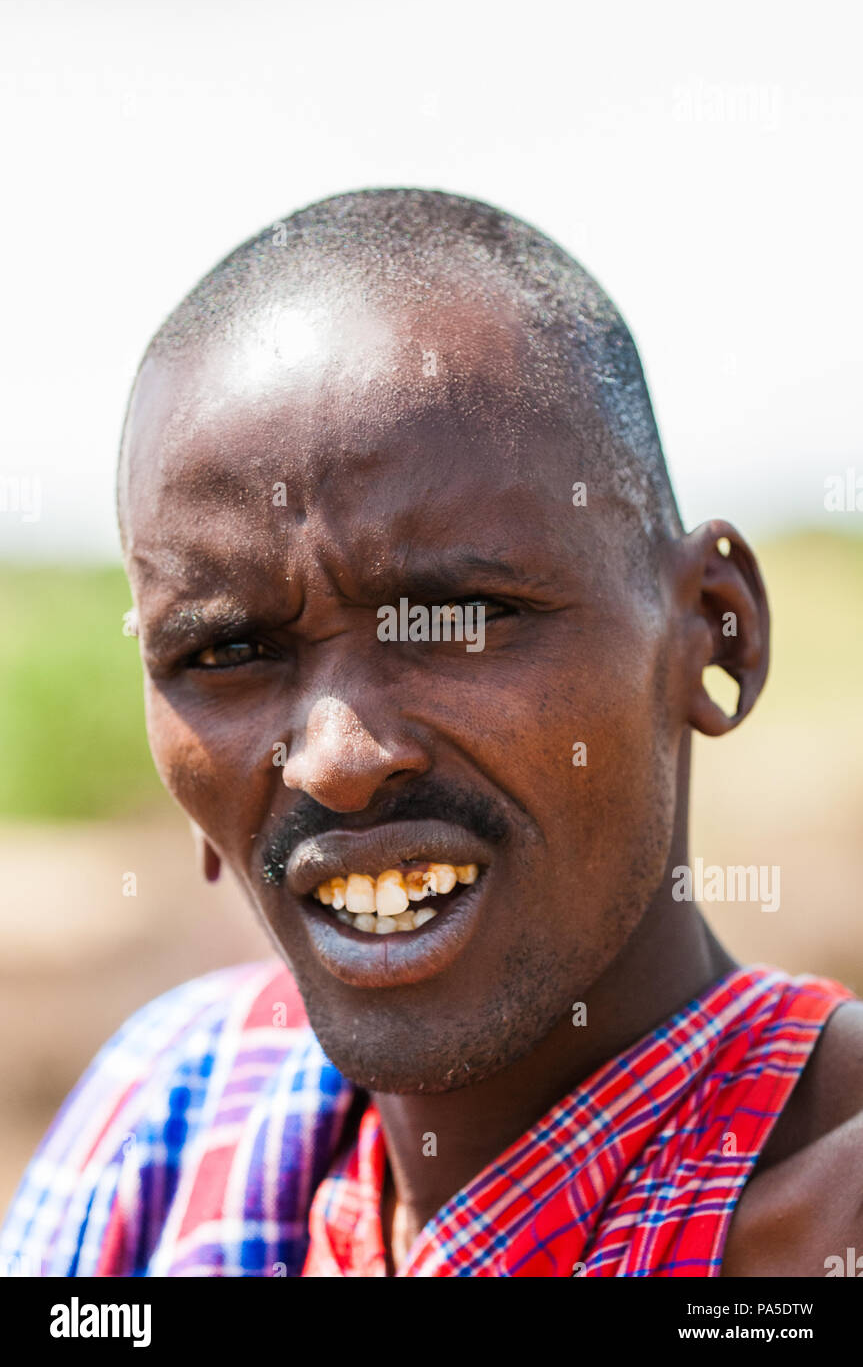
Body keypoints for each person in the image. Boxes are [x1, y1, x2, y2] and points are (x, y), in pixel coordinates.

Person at [3, 189, 860, 1277]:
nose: (336, 760)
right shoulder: (162, 1131)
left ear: (711, 636)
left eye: (456, 621)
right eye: (223, 653)